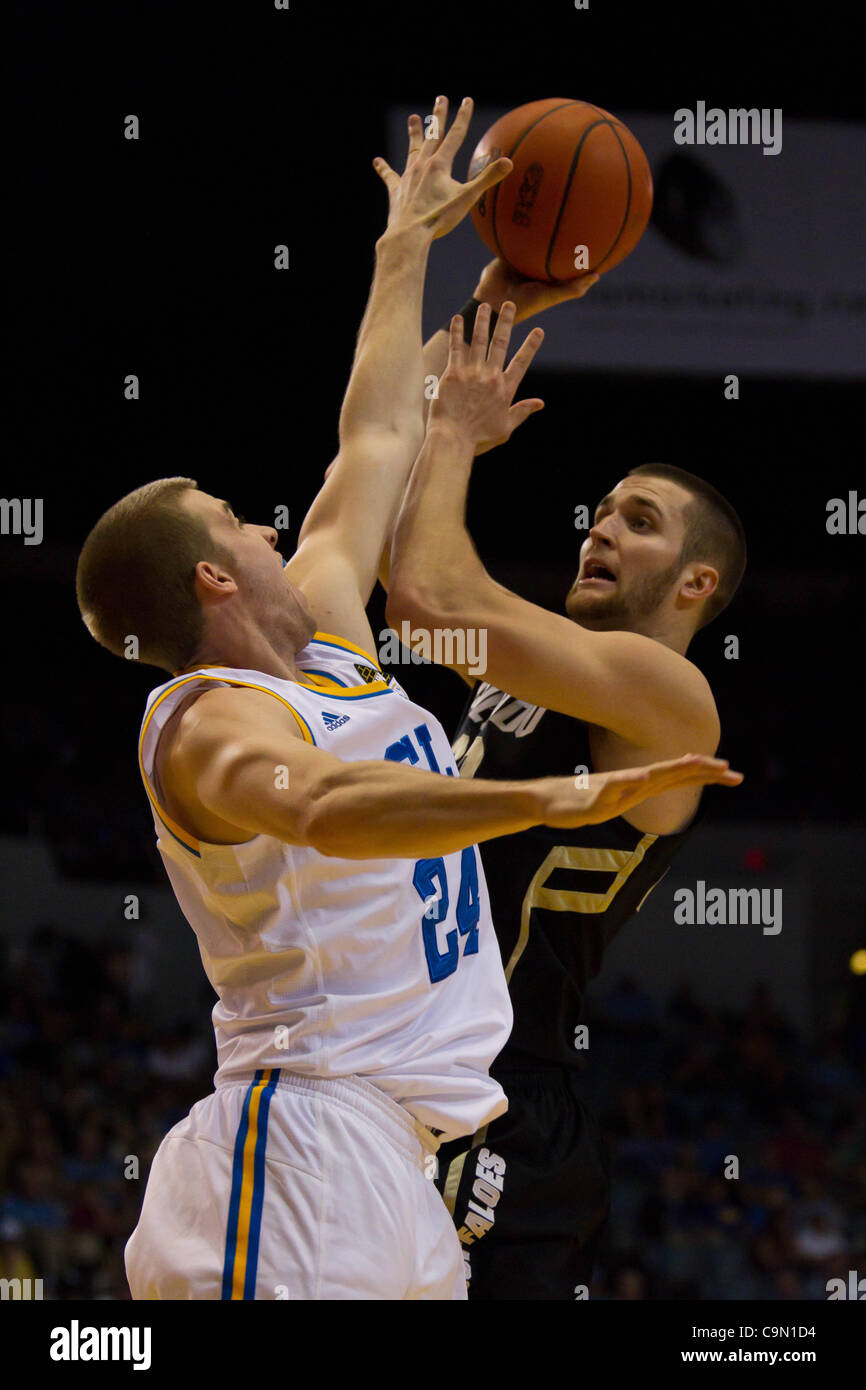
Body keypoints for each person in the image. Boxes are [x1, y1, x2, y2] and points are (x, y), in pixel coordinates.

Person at [74, 96, 740, 1301]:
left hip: (408, 1151)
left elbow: (373, 432)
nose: (272, 518)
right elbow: (325, 803)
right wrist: (556, 792)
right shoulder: (206, 721)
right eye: (236, 519)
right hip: (302, 1137)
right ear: (215, 576)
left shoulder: (331, 640)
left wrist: (415, 258)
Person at [386, 297, 747, 1298]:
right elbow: (400, 581)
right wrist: (484, 302)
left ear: (693, 582)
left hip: (509, 1103)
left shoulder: (667, 695)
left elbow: (426, 595)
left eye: (639, 523)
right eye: (599, 510)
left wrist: (451, 432)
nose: (599, 528)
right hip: (420, 1078)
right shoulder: (525, 679)